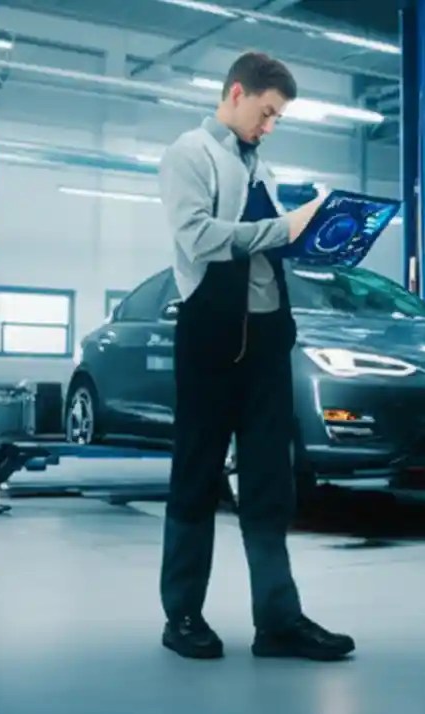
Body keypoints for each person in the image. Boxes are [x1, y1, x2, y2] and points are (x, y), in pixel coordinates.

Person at [155, 51, 355, 662]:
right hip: (211, 339)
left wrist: (321, 236)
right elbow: (198, 236)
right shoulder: (190, 152)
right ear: (236, 93)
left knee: (270, 484)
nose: (269, 126)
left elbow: (269, 245)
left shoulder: (258, 165)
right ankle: (182, 616)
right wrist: (283, 229)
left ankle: (278, 621)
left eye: (277, 119)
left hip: (267, 341)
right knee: (197, 475)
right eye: (266, 113)